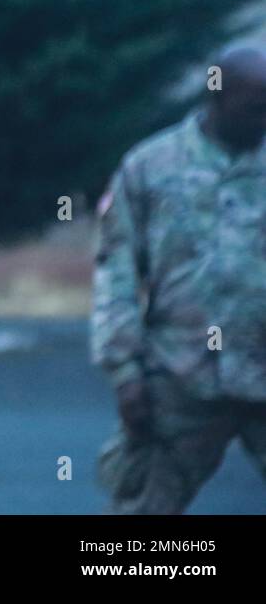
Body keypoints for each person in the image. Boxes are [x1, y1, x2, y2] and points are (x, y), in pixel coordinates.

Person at [92, 45, 266, 513]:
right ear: (217, 97)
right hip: (183, 374)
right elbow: (118, 273)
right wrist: (125, 372)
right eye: (255, 108)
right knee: (144, 506)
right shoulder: (151, 168)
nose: (263, 120)